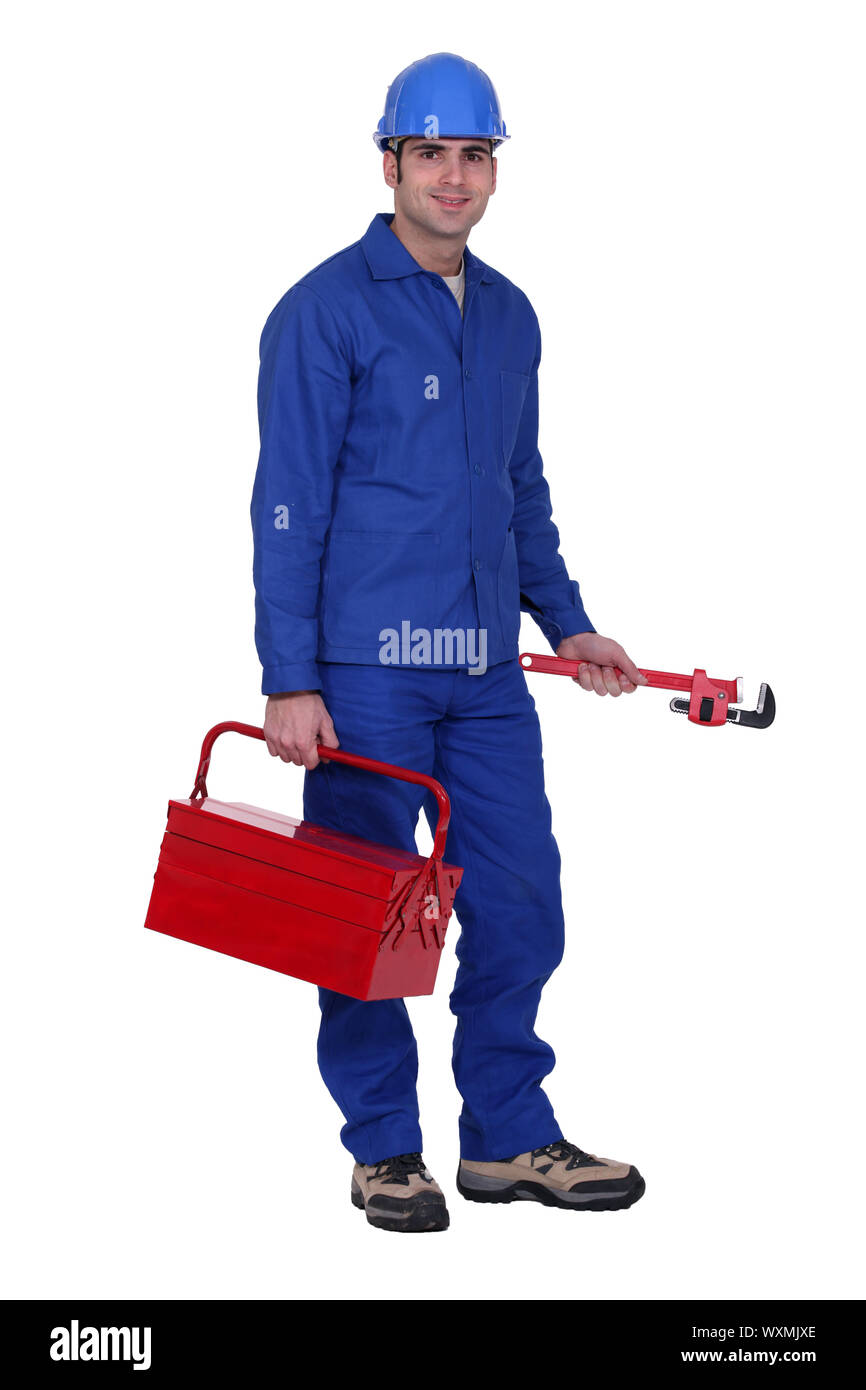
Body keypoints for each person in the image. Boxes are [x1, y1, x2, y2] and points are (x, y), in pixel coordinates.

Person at [250, 52, 648, 1233]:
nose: (454, 177)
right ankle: (384, 1151)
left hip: (481, 679)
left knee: (522, 904)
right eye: (431, 153)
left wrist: (565, 621)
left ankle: (507, 1138)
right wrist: (290, 677)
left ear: (492, 168)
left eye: (474, 155)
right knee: (367, 916)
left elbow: (515, 486)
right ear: (389, 163)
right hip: (364, 677)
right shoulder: (324, 309)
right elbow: (288, 503)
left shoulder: (513, 314)